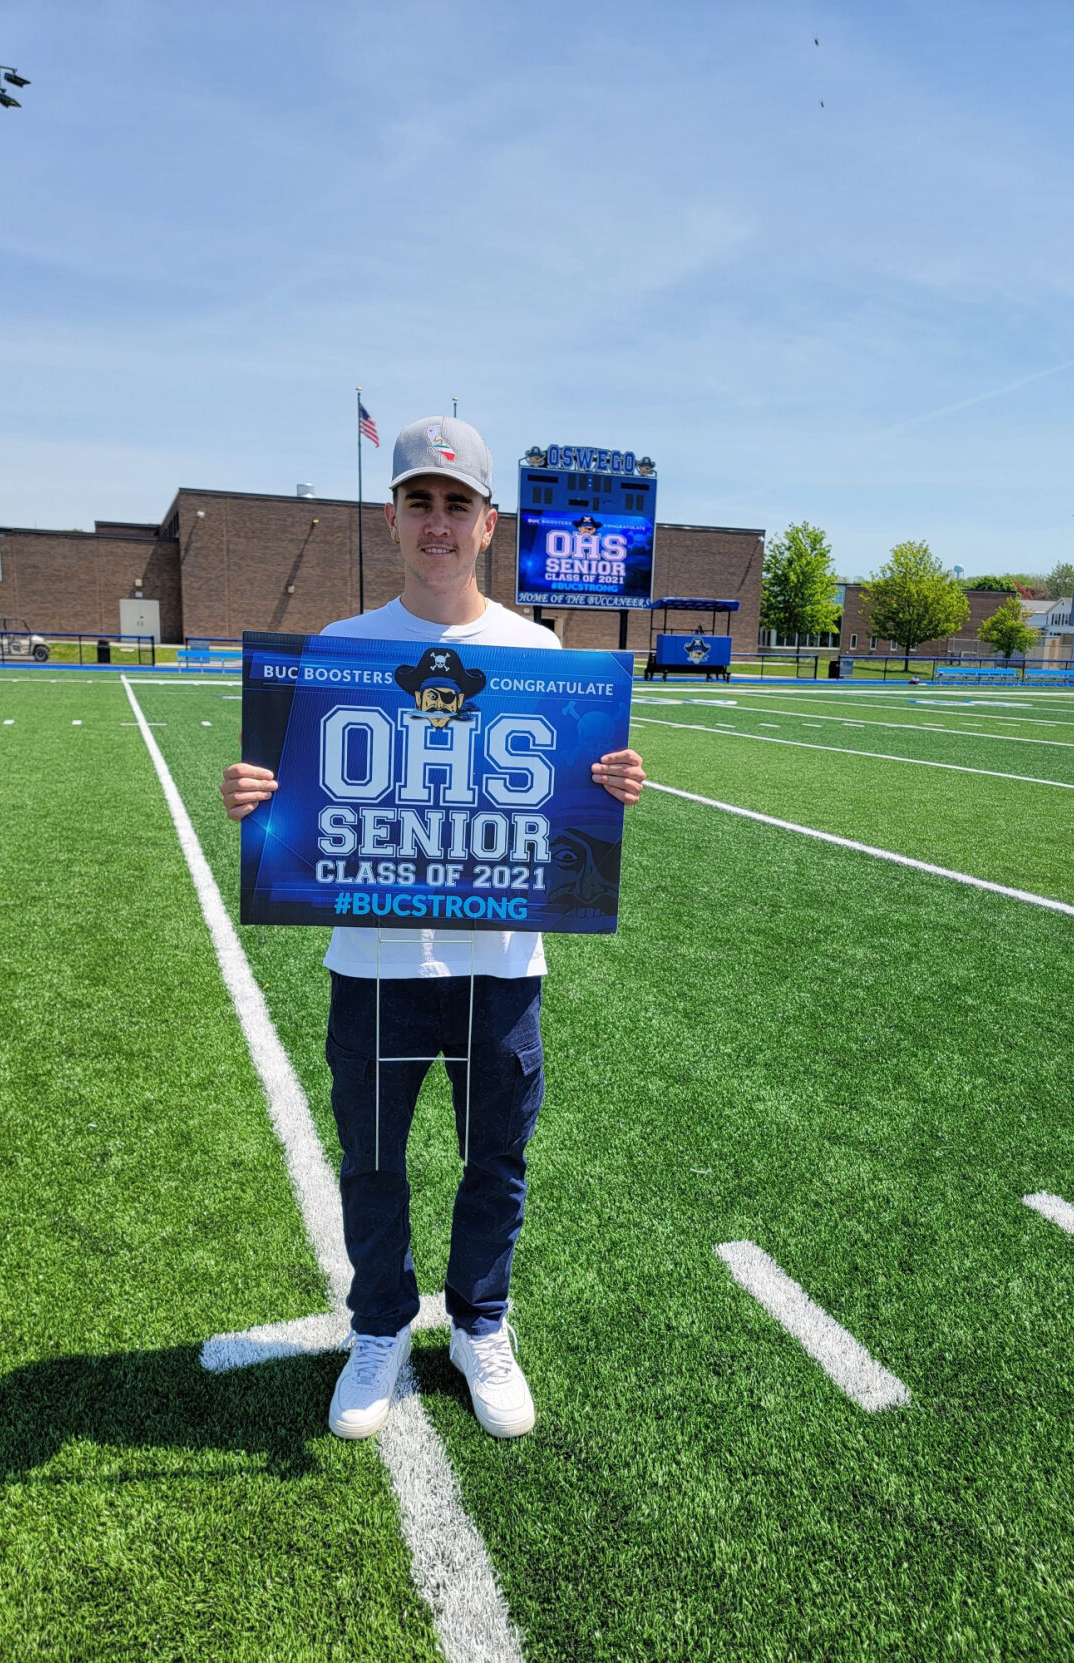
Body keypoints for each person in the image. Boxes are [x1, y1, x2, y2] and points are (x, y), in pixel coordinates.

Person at [220, 417, 645, 1441]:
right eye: (420, 501)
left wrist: (608, 787)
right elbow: (299, 806)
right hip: (371, 964)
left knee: (495, 1158)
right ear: (393, 516)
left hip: (498, 965)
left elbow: (566, 818)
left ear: (489, 522)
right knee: (371, 1159)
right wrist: (256, 798)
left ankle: (478, 1323)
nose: (438, 522)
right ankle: (378, 1331)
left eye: (458, 504)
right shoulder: (336, 652)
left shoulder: (540, 653)